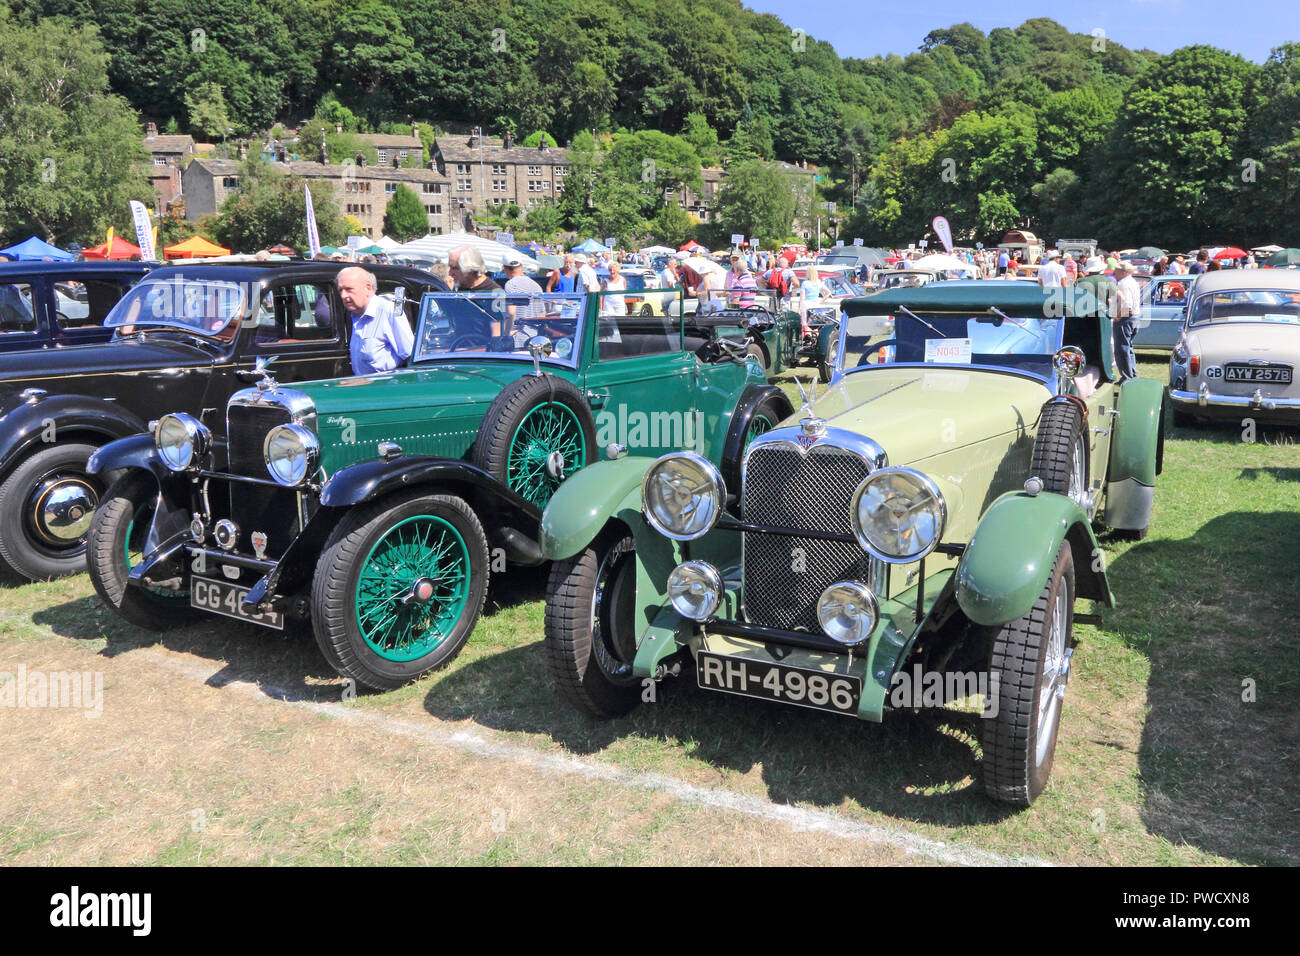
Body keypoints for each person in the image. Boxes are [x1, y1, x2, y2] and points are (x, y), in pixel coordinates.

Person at [338, 266, 412, 375]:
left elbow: (409, 356)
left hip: (386, 387)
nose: (343, 295)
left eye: (349, 289)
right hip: (361, 386)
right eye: (340, 290)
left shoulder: (388, 311)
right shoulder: (352, 316)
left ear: (368, 288)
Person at [1112, 261, 1141, 380]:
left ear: (1123, 272)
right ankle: (1132, 374)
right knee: (1128, 348)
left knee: (1122, 349)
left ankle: (1127, 377)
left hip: (1126, 318)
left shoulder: (1124, 284)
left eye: (1117, 270)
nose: (1114, 272)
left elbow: (1126, 304)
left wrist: (1117, 317)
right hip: (1134, 317)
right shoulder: (1132, 282)